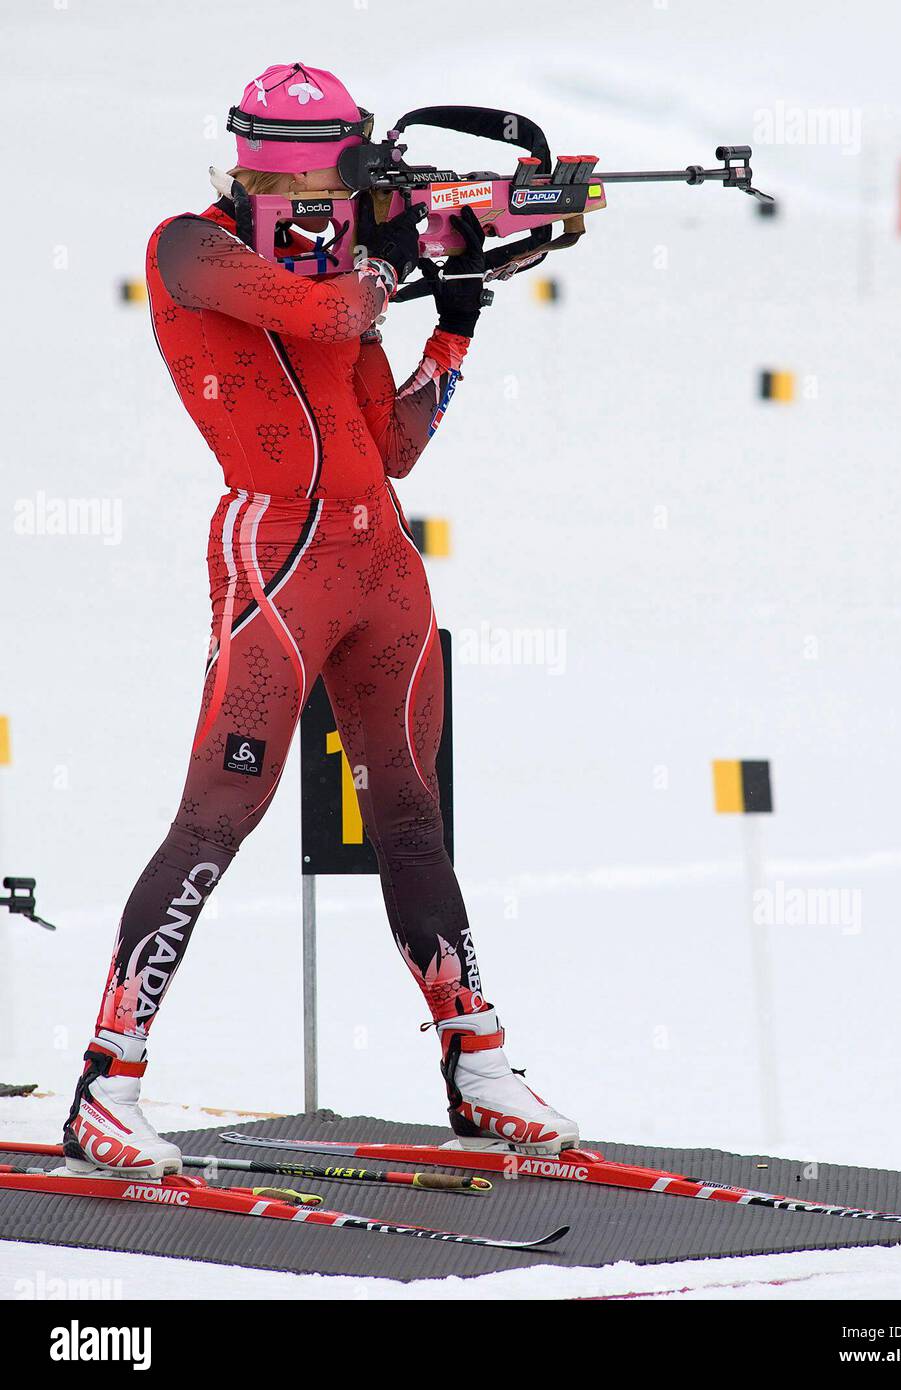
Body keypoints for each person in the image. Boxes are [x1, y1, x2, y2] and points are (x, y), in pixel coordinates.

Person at [63, 63, 577, 1177]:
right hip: (277, 553)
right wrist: (401, 255)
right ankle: (109, 1079)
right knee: (217, 816)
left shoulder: (355, 270)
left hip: (379, 554)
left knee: (412, 817)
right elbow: (322, 306)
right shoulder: (191, 249)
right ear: (248, 175)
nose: (320, 225)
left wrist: (456, 324)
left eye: (332, 205)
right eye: (304, 201)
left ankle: (477, 1063)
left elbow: (388, 444)